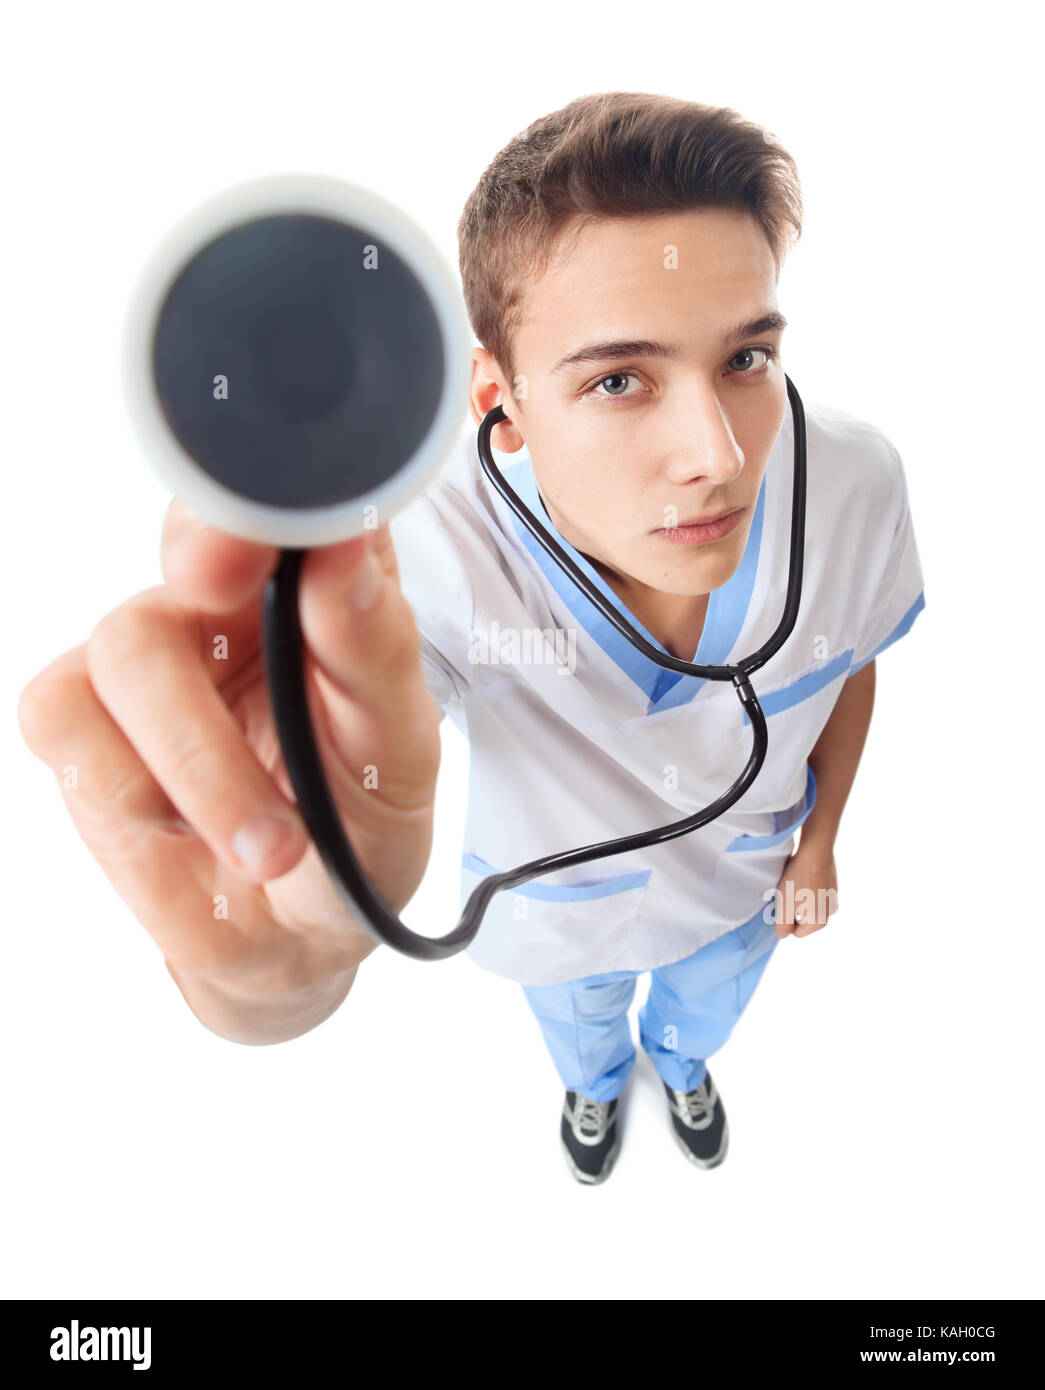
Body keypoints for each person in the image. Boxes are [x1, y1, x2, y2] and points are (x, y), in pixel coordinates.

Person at [17, 92, 925, 1186]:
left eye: (744, 359)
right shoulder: (421, 543)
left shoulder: (856, 479)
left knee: (705, 1010)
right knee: (579, 1033)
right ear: (502, 398)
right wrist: (282, 958)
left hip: (745, 881)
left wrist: (819, 844)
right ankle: (594, 1094)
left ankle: (682, 1067)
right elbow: (348, 749)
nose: (717, 454)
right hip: (557, 911)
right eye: (619, 379)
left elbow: (845, 661)